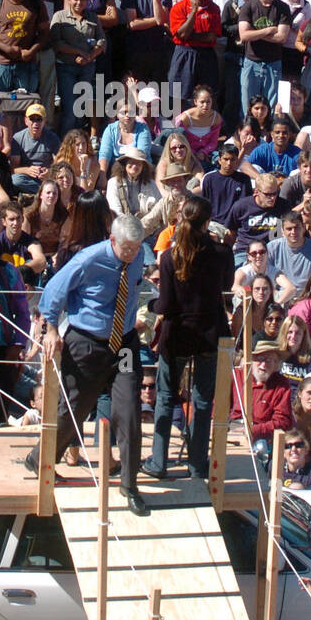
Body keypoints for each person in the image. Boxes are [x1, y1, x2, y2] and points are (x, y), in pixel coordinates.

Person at [23, 213, 149, 516]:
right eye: (127, 248)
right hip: (88, 343)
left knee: (130, 408)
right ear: (112, 241)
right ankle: (40, 458)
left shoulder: (139, 255)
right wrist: (51, 329)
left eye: (136, 248)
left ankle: (130, 485)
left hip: (125, 343)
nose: (132, 254)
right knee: (74, 409)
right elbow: (54, 290)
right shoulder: (89, 260)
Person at [143, 195, 234, 480]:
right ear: (207, 221)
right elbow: (226, 287)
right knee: (203, 399)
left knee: (166, 397)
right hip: (209, 332)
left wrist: (150, 308)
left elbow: (166, 304)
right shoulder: (222, 253)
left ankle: (159, 463)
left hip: (178, 334)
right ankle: (197, 464)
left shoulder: (170, 257)